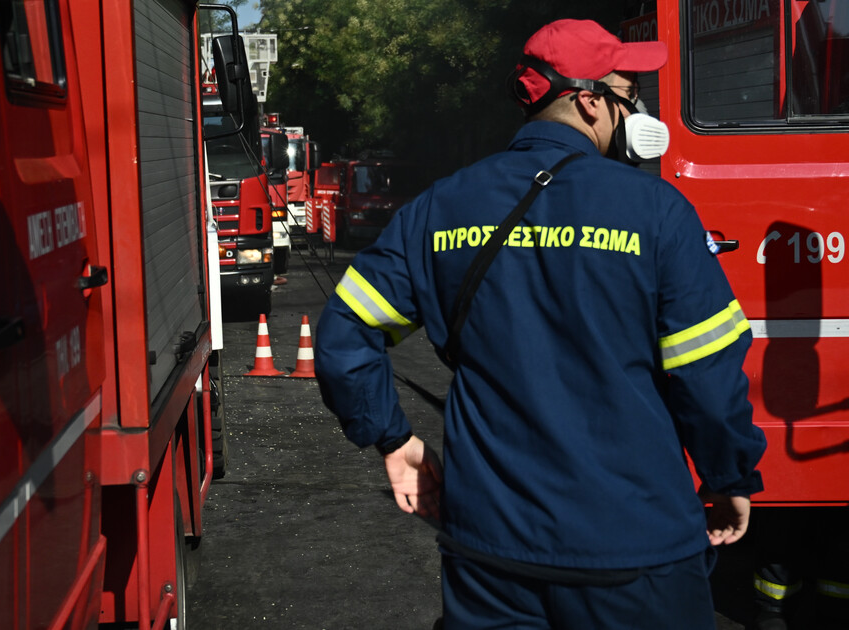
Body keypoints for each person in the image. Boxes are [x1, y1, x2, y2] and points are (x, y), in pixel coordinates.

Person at [314, 18, 767, 629]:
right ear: (589, 101)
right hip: (636, 549)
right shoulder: (657, 212)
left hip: (490, 554)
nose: (637, 110)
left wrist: (395, 442)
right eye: (630, 93)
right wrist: (728, 473)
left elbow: (347, 333)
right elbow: (706, 371)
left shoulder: (440, 207)